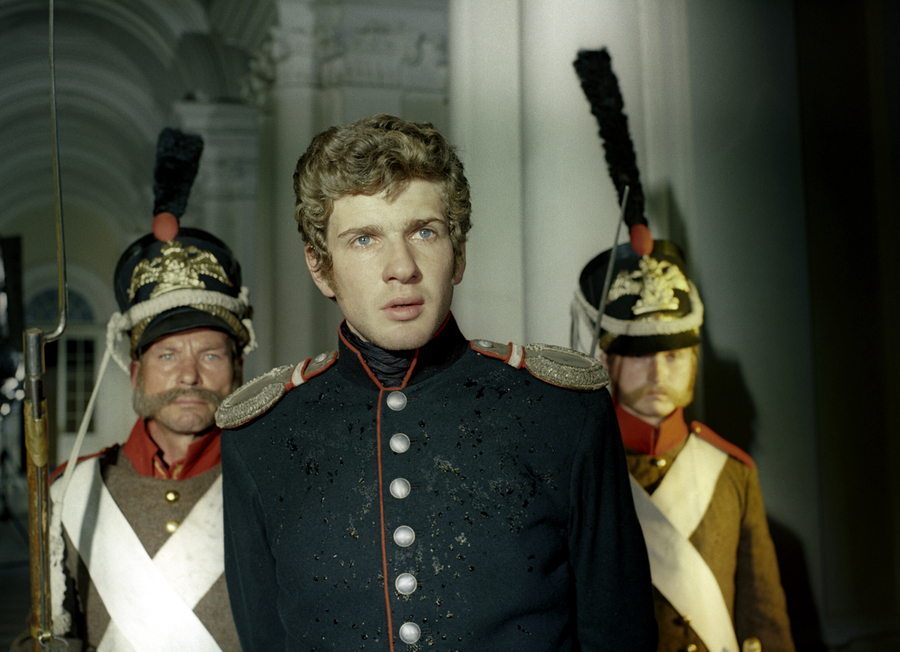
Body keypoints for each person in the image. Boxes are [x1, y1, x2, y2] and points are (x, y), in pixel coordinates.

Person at [216, 114, 657, 651]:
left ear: (459, 254)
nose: (402, 267)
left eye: (424, 231)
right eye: (364, 239)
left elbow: (620, 638)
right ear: (320, 267)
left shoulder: (564, 413)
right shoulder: (260, 437)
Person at [13, 129, 255, 652]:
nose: (188, 375)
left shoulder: (273, 481)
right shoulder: (71, 491)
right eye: (167, 356)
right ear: (135, 372)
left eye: (210, 354)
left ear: (237, 367)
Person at [572, 240, 795, 652]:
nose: (658, 373)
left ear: (694, 363)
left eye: (673, 356)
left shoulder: (733, 471)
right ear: (606, 362)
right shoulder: (579, 468)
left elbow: (763, 618)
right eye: (639, 356)